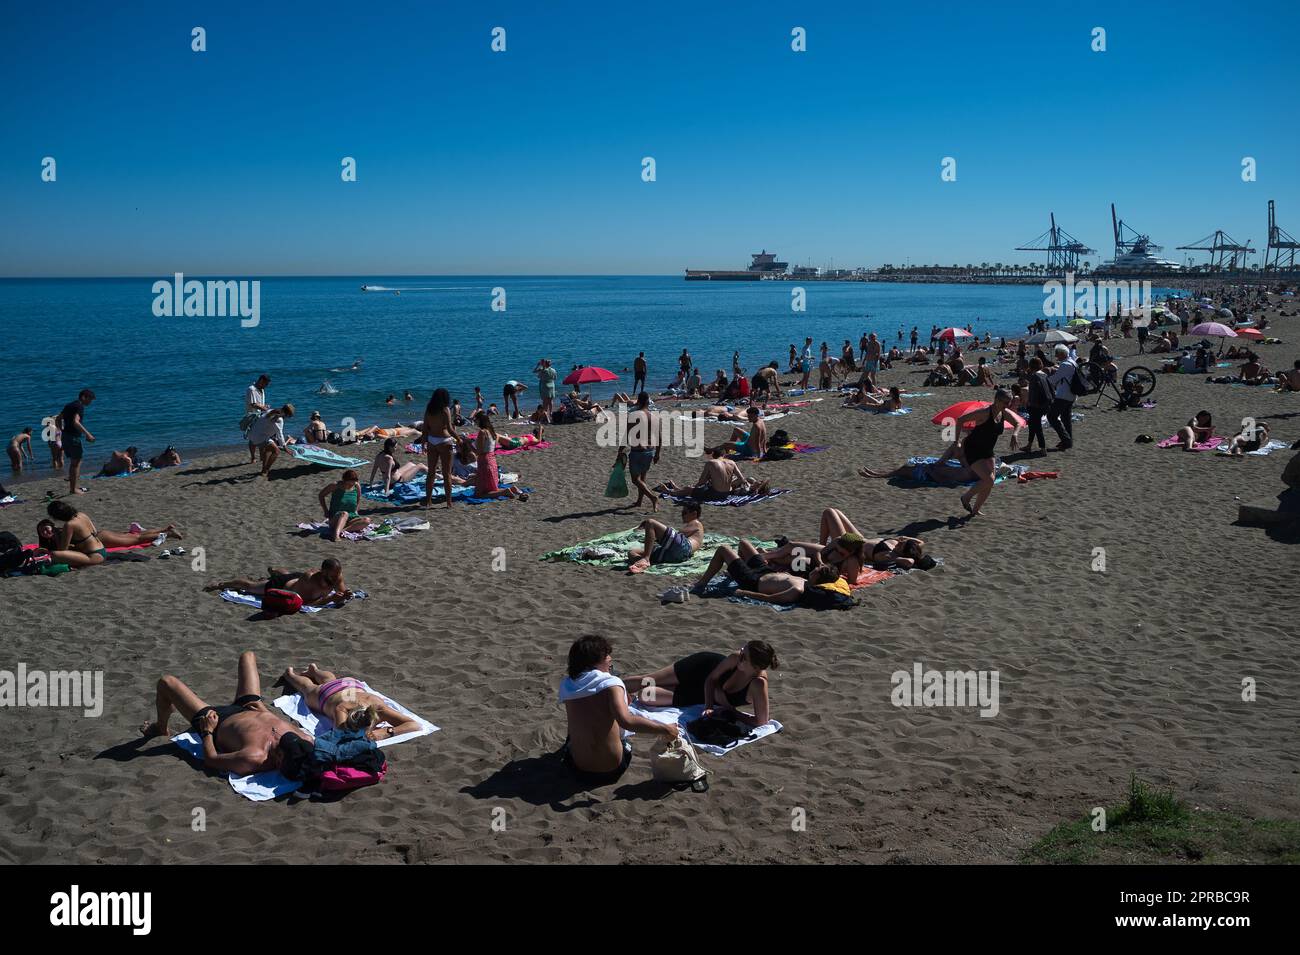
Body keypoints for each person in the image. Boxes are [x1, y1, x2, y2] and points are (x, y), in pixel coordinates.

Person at [141, 651, 313, 776]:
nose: (281, 737)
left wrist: (207, 731)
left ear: (279, 759)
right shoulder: (305, 741)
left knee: (166, 682)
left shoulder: (254, 757)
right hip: (252, 706)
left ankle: (160, 727)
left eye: (280, 744)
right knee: (248, 655)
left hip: (217, 720)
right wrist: (261, 709)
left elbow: (212, 760)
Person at [558, 636, 678, 786]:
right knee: (619, 724)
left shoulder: (566, 684)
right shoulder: (610, 683)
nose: (610, 658)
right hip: (612, 769)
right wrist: (666, 729)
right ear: (596, 659)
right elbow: (626, 721)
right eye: (607, 655)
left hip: (578, 768)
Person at [625, 643, 779, 725]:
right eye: (742, 650)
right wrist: (709, 706)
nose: (740, 654)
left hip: (698, 694)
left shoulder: (758, 684)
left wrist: (730, 710)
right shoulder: (734, 658)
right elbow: (712, 679)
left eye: (744, 656)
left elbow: (761, 721)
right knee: (647, 680)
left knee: (645, 695)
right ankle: (608, 686)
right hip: (700, 669)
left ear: (756, 668)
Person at [274, 664, 423, 741]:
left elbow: (415, 725)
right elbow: (340, 733)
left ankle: (311, 671)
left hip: (347, 689)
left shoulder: (380, 710)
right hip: (341, 689)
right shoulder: (342, 710)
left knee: (327, 682)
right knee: (308, 688)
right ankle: (292, 674)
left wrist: (386, 732)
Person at [44, 500, 181, 568]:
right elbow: (94, 531)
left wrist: (60, 536)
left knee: (136, 539)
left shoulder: (69, 525)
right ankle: (165, 529)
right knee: (134, 537)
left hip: (96, 551)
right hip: (99, 538)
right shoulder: (80, 514)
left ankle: (167, 533)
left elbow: (62, 550)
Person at [204, 558, 354, 608]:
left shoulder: (336, 576)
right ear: (323, 571)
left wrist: (345, 595)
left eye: (337, 575)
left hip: (296, 580)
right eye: (332, 575)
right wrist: (332, 599)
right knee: (250, 587)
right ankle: (222, 584)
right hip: (283, 586)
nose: (335, 578)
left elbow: (341, 592)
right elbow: (305, 603)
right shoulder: (310, 579)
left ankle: (275, 569)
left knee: (290, 575)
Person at [953, 388, 1010, 516]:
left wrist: (1015, 434)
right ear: (996, 400)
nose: (1007, 406)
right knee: (989, 480)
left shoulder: (1002, 413)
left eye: (1009, 403)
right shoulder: (984, 412)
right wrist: (956, 442)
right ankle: (966, 497)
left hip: (988, 450)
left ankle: (975, 510)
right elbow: (960, 420)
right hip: (973, 449)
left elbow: (1017, 422)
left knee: (990, 482)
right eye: (1005, 403)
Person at [654, 447, 769, 500]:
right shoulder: (732, 462)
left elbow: (701, 482)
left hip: (716, 494)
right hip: (726, 493)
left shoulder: (711, 463)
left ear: (714, 456)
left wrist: (696, 487)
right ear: (723, 455)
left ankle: (669, 491)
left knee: (691, 489)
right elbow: (742, 479)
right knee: (693, 488)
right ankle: (677, 488)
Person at [627, 502, 703, 572]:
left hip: (684, 547)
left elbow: (679, 534)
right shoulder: (695, 530)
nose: (682, 515)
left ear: (694, 514)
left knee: (651, 522)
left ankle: (646, 559)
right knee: (632, 552)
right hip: (679, 555)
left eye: (685, 512)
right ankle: (642, 563)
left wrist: (654, 532)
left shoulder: (696, 523)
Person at [472, 411, 529, 501]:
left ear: (480, 421)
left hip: (484, 461)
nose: (475, 422)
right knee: (491, 489)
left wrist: (468, 445)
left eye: (476, 420)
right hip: (492, 460)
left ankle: (505, 492)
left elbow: (479, 452)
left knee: (478, 494)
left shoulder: (482, 432)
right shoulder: (492, 432)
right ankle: (513, 489)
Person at [421, 388, 457, 508]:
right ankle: (448, 502)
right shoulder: (445, 409)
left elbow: (425, 428)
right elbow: (450, 429)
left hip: (432, 441)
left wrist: (423, 443)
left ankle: (428, 501)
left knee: (431, 473)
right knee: (447, 474)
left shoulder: (429, 409)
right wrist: (460, 439)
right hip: (444, 441)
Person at [626, 392, 660, 510]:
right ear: (648, 401)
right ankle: (639, 501)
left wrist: (620, 450)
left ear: (638, 402)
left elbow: (627, 435)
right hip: (650, 451)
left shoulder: (634, 415)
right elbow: (659, 437)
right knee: (642, 478)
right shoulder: (654, 417)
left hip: (637, 451)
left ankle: (652, 498)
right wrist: (658, 454)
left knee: (635, 479)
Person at [58, 388, 96, 495]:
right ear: (84, 397)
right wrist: (88, 434)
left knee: (74, 462)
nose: (90, 402)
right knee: (76, 463)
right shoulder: (79, 406)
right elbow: (76, 422)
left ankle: (73, 485)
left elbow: (58, 419)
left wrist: (62, 431)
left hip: (65, 436)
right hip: (73, 437)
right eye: (90, 399)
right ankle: (73, 489)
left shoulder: (68, 405)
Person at [316, 469, 371, 541]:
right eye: (349, 483)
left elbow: (358, 498)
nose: (351, 484)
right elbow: (321, 495)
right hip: (336, 517)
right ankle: (336, 536)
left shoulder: (356, 486)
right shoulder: (335, 485)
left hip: (351, 517)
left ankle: (343, 530)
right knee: (344, 513)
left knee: (367, 520)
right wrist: (325, 510)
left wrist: (356, 509)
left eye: (354, 482)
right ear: (344, 480)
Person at [248, 404, 295, 477]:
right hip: (260, 437)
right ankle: (266, 470)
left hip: (252, 434)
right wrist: (285, 448)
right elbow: (280, 434)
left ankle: (264, 470)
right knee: (276, 451)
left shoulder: (271, 411)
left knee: (269, 449)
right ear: (287, 414)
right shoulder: (279, 419)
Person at [1044, 344, 1077, 450]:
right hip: (1071, 394)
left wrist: (1044, 377)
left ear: (1063, 354)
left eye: (1057, 354)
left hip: (1063, 395)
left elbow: (1054, 380)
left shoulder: (1065, 365)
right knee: (1065, 418)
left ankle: (1066, 440)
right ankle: (1068, 441)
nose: (1056, 356)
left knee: (1051, 416)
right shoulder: (1072, 362)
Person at [242, 375, 271, 463]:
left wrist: (265, 407)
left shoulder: (262, 390)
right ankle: (253, 457)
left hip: (260, 416)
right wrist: (265, 408)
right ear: (261, 381)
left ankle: (262, 456)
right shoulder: (251, 389)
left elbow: (260, 404)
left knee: (261, 436)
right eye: (265, 384)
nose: (266, 386)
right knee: (252, 438)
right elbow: (253, 404)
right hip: (252, 417)